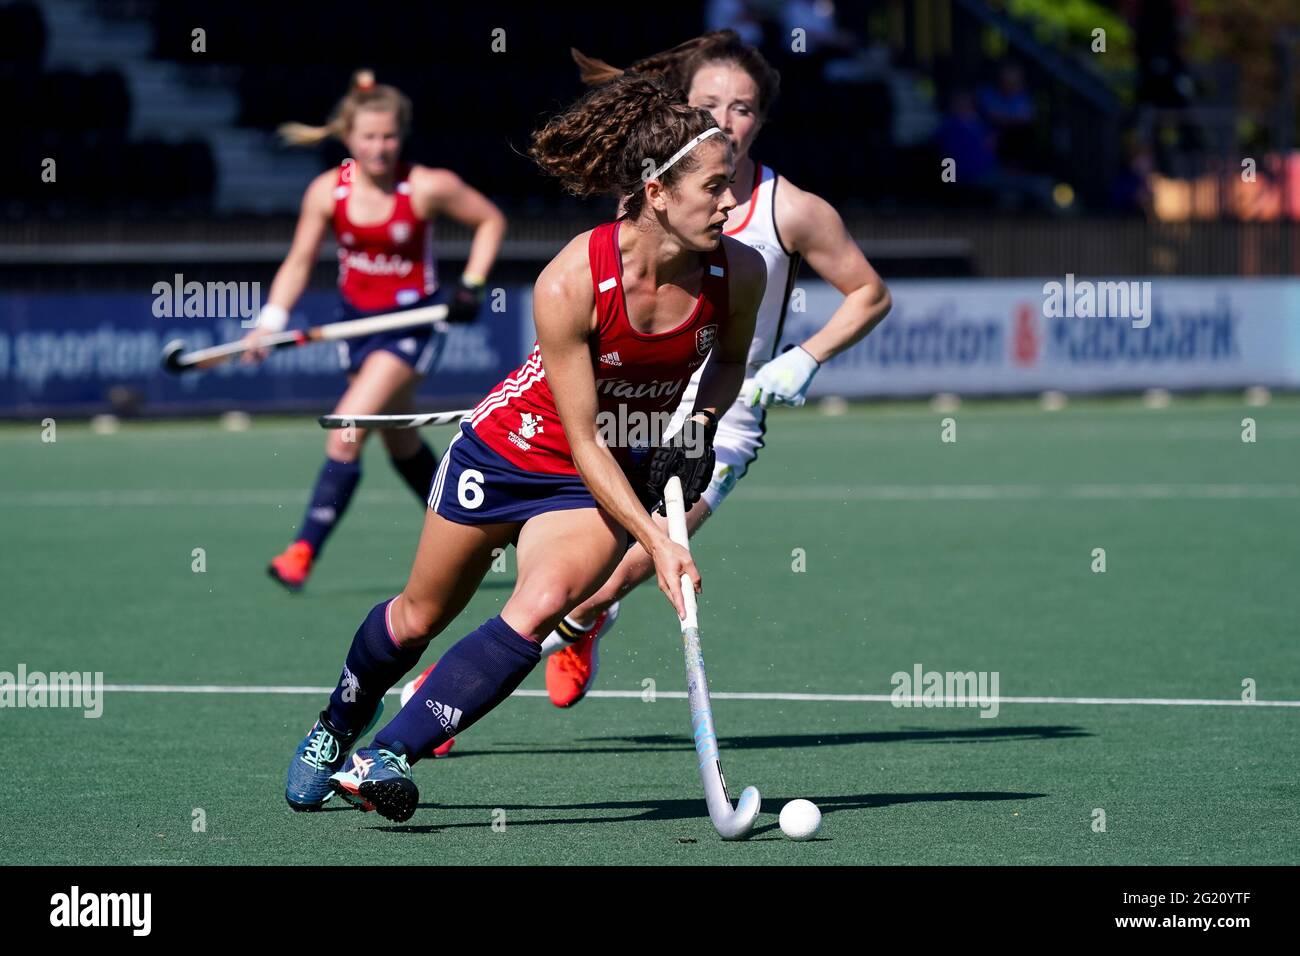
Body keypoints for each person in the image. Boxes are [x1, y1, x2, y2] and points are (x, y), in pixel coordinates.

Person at [284, 74, 767, 822]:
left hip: (605, 474)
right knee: (416, 618)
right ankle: (337, 722)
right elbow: (580, 438)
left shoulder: (739, 273)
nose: (733, 203)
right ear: (659, 192)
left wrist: (699, 426)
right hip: (512, 450)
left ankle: (386, 754)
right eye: (715, 187)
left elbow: (729, 363)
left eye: (731, 184)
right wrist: (658, 542)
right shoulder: (573, 280)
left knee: (538, 605)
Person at [531, 31, 892, 707]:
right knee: (564, 564)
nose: (728, 119)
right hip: (636, 404)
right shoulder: (657, 194)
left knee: (640, 558)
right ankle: (486, 661)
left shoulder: (794, 209)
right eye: (711, 103)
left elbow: (870, 293)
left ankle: (575, 626)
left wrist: (804, 359)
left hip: (722, 417)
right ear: (683, 107)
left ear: (761, 118)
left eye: (745, 107)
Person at [244, 70, 506, 592]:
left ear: (401, 136)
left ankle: (302, 552)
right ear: (348, 137)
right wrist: (270, 320)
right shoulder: (326, 192)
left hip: (411, 329)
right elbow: (298, 262)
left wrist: (472, 285)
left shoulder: (428, 185)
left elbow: (490, 220)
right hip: (356, 330)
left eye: (389, 136)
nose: (380, 147)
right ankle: (485, 530)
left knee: (347, 431)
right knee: (400, 441)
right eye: (369, 136)